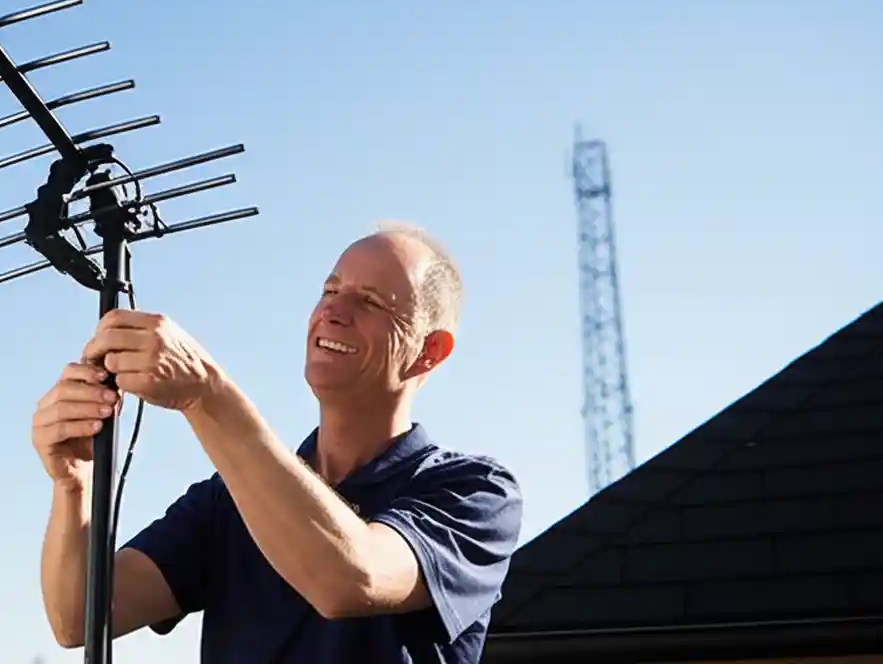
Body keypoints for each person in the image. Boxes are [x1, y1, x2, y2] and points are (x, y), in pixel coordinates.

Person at [32, 222, 524, 663]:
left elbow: (350, 578)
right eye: (330, 289)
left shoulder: (474, 493)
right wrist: (74, 485)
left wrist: (208, 393)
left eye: (369, 301)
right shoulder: (229, 500)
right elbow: (78, 615)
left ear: (429, 352)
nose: (332, 309)